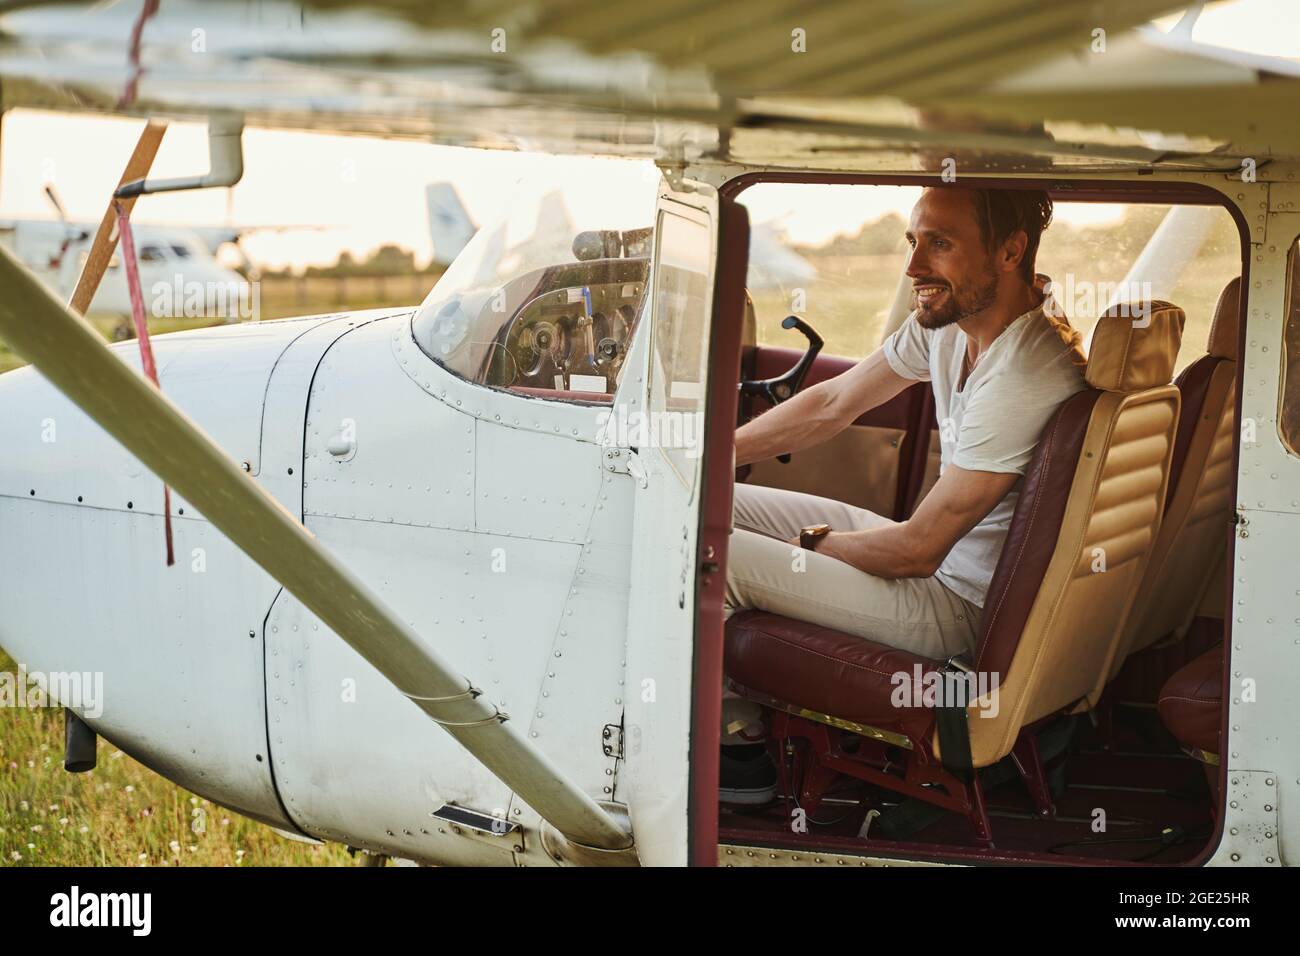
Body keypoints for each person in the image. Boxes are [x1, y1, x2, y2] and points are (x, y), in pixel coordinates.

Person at [720, 186, 1087, 804]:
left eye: (939, 245)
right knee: (703, 502)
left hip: (955, 608)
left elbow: (917, 550)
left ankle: (738, 746)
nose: (915, 266)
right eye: (913, 242)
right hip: (935, 570)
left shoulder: (1026, 370)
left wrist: (808, 544)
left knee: (713, 554)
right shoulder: (950, 325)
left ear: (1010, 250)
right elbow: (834, 402)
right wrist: (709, 456)